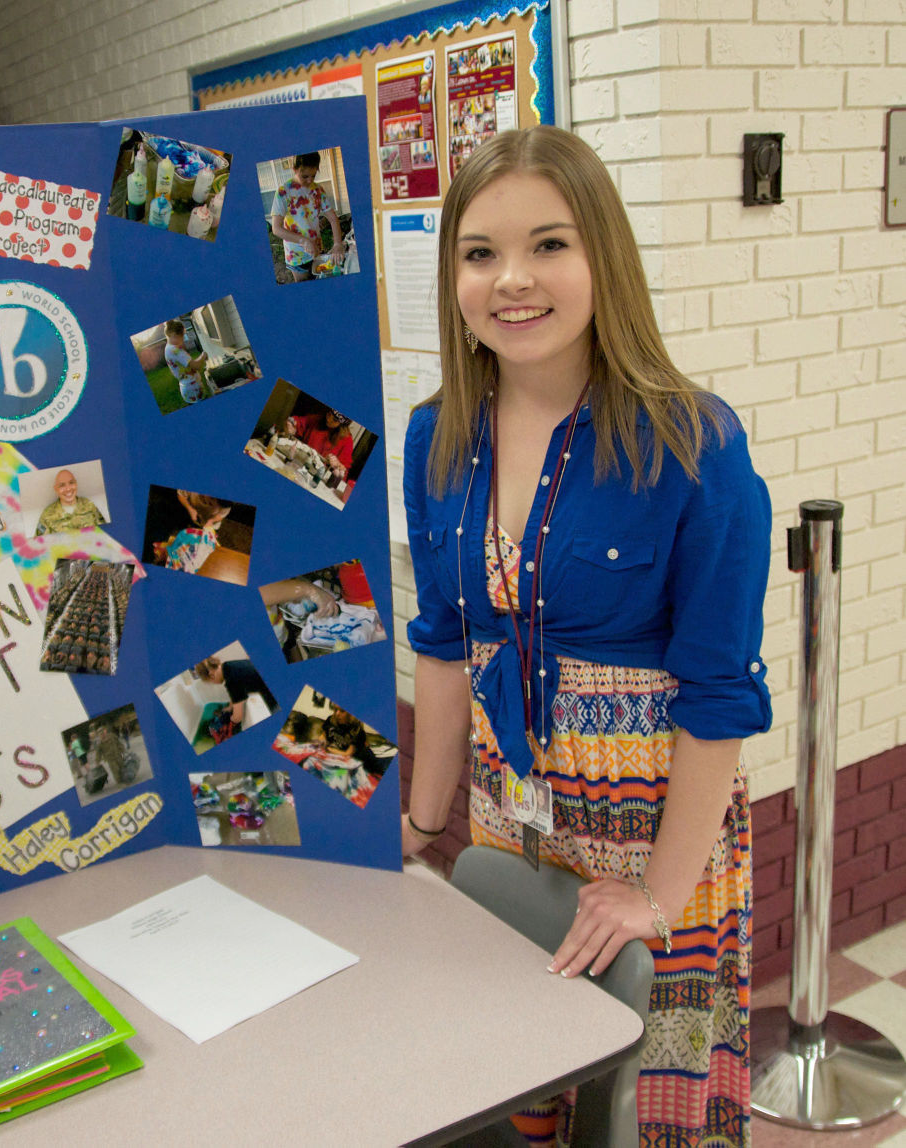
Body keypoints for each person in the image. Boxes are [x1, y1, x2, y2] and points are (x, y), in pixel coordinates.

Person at [399, 126, 769, 1148]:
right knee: (516, 1079)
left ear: (603, 255)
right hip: (511, 821)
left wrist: (655, 891)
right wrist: (424, 822)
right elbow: (441, 643)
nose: (512, 279)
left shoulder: (694, 443)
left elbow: (719, 694)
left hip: (656, 840)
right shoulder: (437, 436)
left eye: (549, 245)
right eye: (480, 253)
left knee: (642, 1100)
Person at [270, 152, 344, 283]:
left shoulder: (318, 190)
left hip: (316, 250)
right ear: (295, 169)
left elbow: (333, 218)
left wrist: (338, 243)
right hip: (296, 255)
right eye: (305, 176)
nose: (310, 181)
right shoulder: (283, 192)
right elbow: (276, 229)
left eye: (313, 176)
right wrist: (303, 241)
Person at [192, 655, 278, 731]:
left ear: (211, 676)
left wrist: (230, 723)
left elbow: (238, 717)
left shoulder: (231, 681)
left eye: (211, 682)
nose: (214, 684)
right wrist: (230, 707)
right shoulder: (228, 666)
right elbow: (236, 694)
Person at [286, 406, 355, 481]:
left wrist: (338, 465)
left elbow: (344, 472)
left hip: (317, 477)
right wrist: (291, 423)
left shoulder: (347, 440)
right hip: (299, 463)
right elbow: (298, 421)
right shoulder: (317, 419)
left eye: (334, 420)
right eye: (329, 414)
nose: (328, 419)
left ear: (342, 425)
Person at [35, 469, 107, 535]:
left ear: (76, 484)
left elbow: (106, 533)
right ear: (56, 489)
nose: (68, 489)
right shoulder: (47, 515)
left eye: (71, 482)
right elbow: (39, 544)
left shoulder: (89, 505)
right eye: (62, 485)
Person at [163, 319, 210, 404]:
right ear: (174, 335)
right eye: (183, 336)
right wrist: (203, 355)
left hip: (187, 387)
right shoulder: (176, 351)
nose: (183, 339)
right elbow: (196, 366)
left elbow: (187, 365)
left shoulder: (168, 348)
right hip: (193, 389)